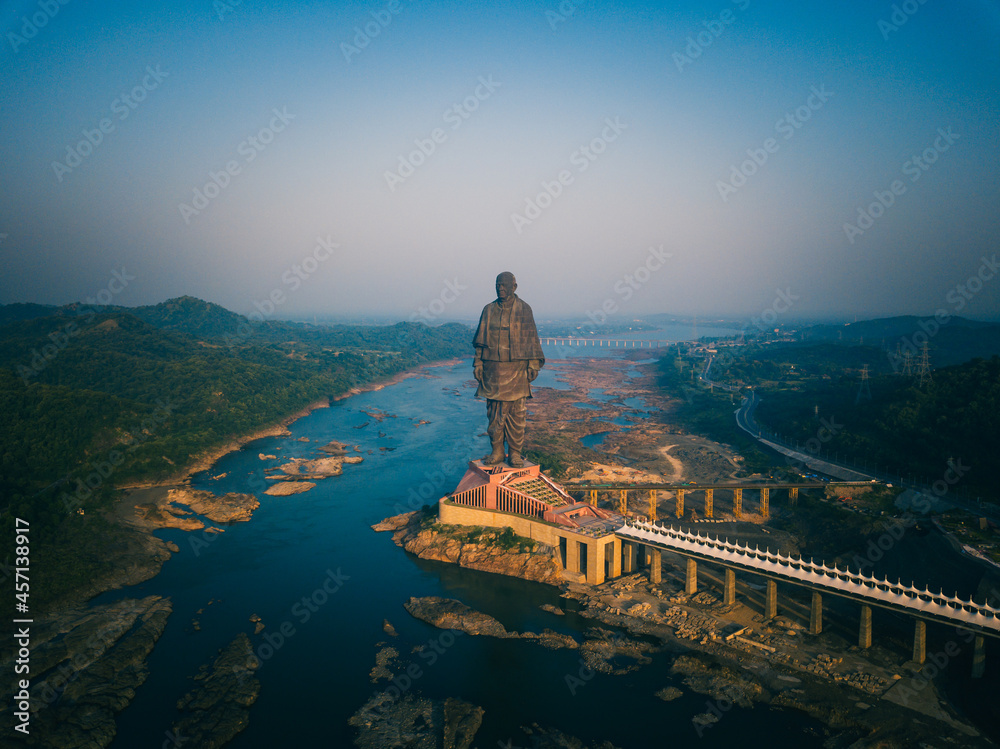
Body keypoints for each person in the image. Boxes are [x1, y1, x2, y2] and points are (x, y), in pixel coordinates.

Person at [472, 272, 544, 467]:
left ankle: (515, 453)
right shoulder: (488, 310)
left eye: (504, 285)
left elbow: (532, 340)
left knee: (517, 415)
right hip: (493, 370)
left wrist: (533, 364)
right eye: (497, 285)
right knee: (495, 414)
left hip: (518, 370)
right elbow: (480, 342)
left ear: (514, 286)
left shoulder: (524, 309)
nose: (500, 288)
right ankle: (497, 451)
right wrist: (478, 363)